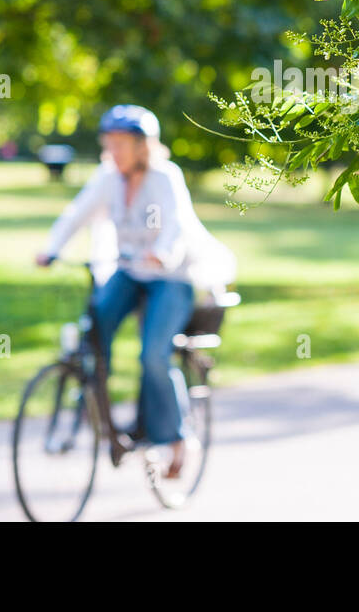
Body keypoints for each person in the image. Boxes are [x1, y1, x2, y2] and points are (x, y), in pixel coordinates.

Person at [35, 105, 235, 479]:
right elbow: (77, 212)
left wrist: (162, 254)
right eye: (109, 143)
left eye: (121, 143)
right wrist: (52, 248)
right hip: (129, 271)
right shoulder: (108, 178)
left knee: (154, 356)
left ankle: (177, 438)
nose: (113, 151)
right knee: (96, 322)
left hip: (172, 275)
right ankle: (94, 392)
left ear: (143, 146)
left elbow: (175, 223)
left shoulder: (164, 176)